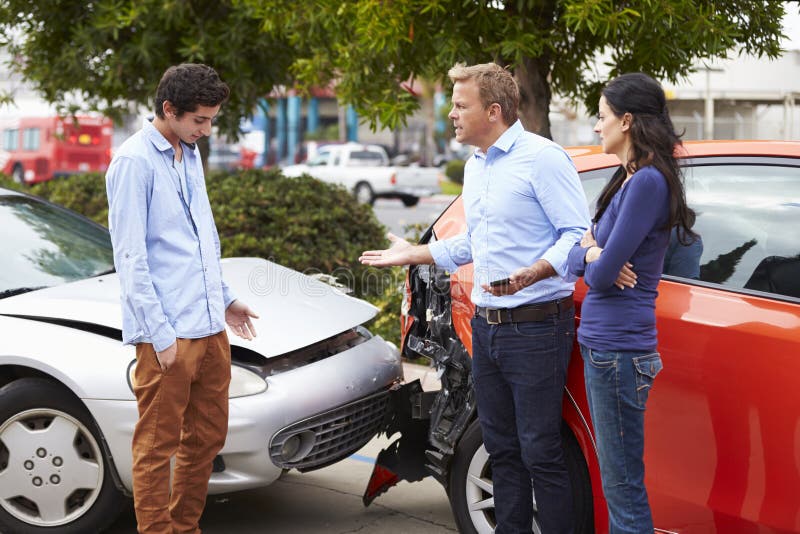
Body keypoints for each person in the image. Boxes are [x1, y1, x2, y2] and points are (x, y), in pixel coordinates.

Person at [360, 62, 590, 533]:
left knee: (540, 450)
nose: (451, 113)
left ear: (493, 111)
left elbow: (576, 234)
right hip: (487, 327)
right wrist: (412, 254)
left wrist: (536, 271)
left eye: (460, 105)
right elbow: (470, 243)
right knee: (501, 448)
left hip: (537, 327)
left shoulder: (543, 158)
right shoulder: (475, 166)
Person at [106, 63, 259, 534]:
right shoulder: (133, 162)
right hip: (167, 333)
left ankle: (184, 527)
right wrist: (159, 334)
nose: (207, 130)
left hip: (210, 325)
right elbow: (131, 258)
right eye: (200, 120)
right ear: (169, 109)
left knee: (208, 438)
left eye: (211, 120)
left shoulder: (188, 152)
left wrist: (226, 299)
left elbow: (200, 239)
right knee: (156, 447)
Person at [566, 72, 698, 533]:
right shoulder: (627, 180)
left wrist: (594, 256)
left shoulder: (647, 183)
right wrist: (592, 253)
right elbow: (578, 257)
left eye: (601, 116)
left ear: (626, 121)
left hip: (618, 352)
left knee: (623, 489)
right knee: (618, 482)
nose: (595, 125)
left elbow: (602, 276)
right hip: (607, 349)